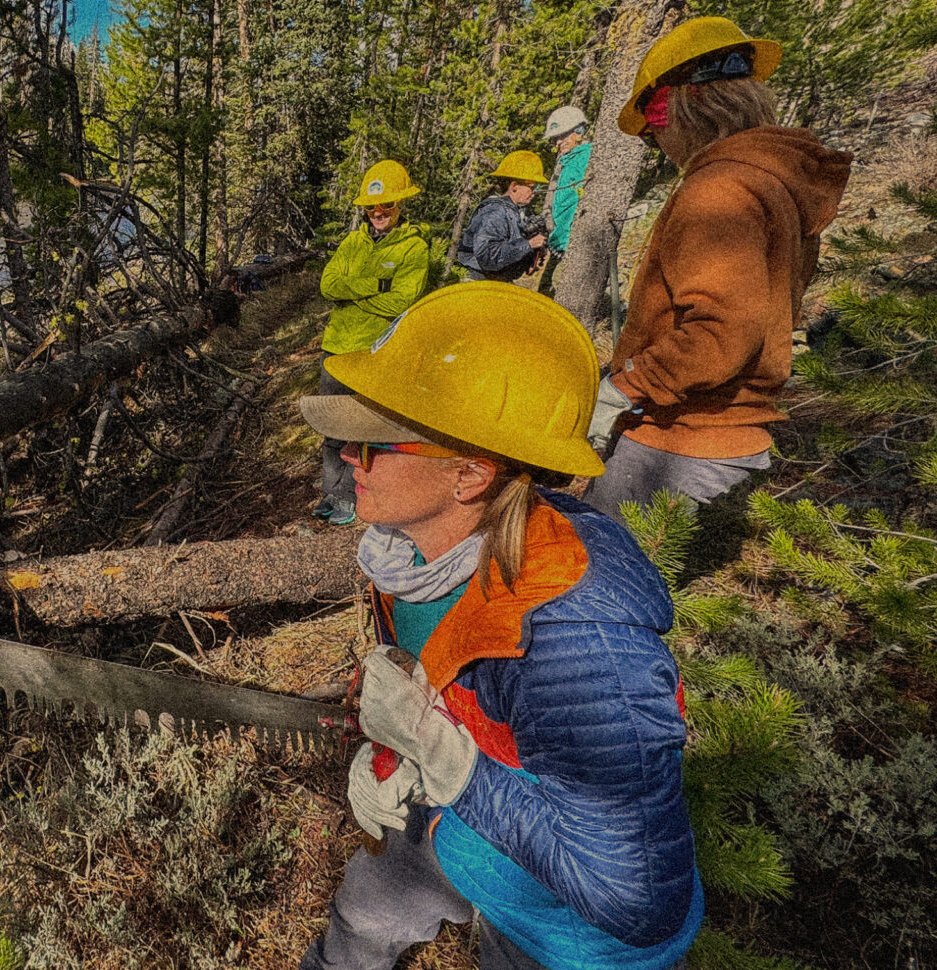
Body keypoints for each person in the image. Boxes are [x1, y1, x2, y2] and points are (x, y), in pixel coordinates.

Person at [297, 282, 702, 970]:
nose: (344, 457)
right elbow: (447, 684)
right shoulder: (416, 553)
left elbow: (634, 900)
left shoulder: (576, 642)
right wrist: (402, 754)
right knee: (362, 918)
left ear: (469, 477)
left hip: (563, 928)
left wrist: (451, 768)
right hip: (459, 828)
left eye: (372, 445)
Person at [584, 17, 852, 524]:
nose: (656, 147)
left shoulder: (719, 190)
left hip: (680, 440)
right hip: (726, 433)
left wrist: (624, 388)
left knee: (600, 589)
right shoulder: (774, 181)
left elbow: (723, 328)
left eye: (652, 130)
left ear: (679, 108)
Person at [315, 160, 433, 526]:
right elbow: (327, 285)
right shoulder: (353, 241)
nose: (378, 213)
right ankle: (333, 494)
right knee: (331, 429)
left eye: (387, 206)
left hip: (374, 353)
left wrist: (352, 294)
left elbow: (400, 302)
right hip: (336, 350)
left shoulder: (414, 249)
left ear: (400, 206)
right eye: (372, 207)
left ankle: (361, 500)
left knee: (364, 432)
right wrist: (375, 286)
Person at [456, 151, 547, 284]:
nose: (534, 192)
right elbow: (488, 256)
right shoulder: (495, 212)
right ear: (514, 186)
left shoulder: (512, 211)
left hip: (493, 281)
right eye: (532, 187)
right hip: (479, 283)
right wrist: (528, 244)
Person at [537, 106, 592, 297]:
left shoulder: (586, 157)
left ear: (578, 132)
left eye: (563, 136)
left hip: (570, 243)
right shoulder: (566, 161)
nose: (558, 142)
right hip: (558, 241)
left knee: (561, 296)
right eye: (556, 138)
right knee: (545, 291)